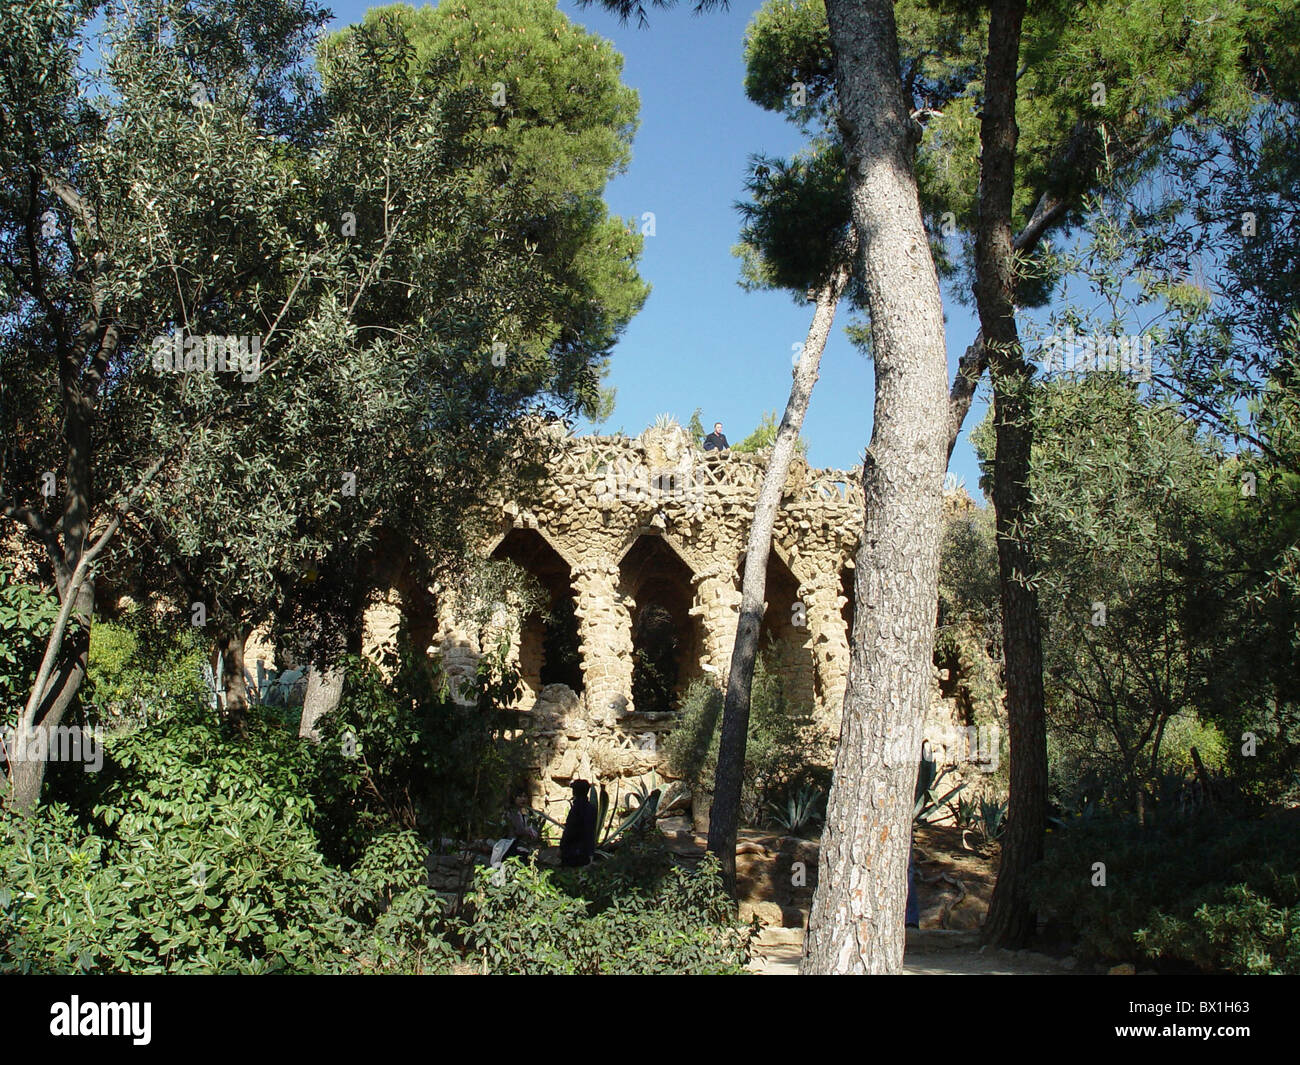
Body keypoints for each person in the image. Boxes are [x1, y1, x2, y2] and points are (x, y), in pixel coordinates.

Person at [560, 779, 598, 867]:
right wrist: (591, 852)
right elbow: (591, 832)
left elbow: (569, 830)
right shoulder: (592, 809)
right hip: (585, 851)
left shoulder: (575, 809)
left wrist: (562, 848)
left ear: (574, 792)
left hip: (572, 851)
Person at [504, 789, 540, 860]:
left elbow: (535, 831)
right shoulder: (511, 813)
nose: (523, 799)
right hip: (511, 845)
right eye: (520, 797)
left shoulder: (530, 814)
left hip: (528, 845)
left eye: (525, 796)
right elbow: (518, 830)